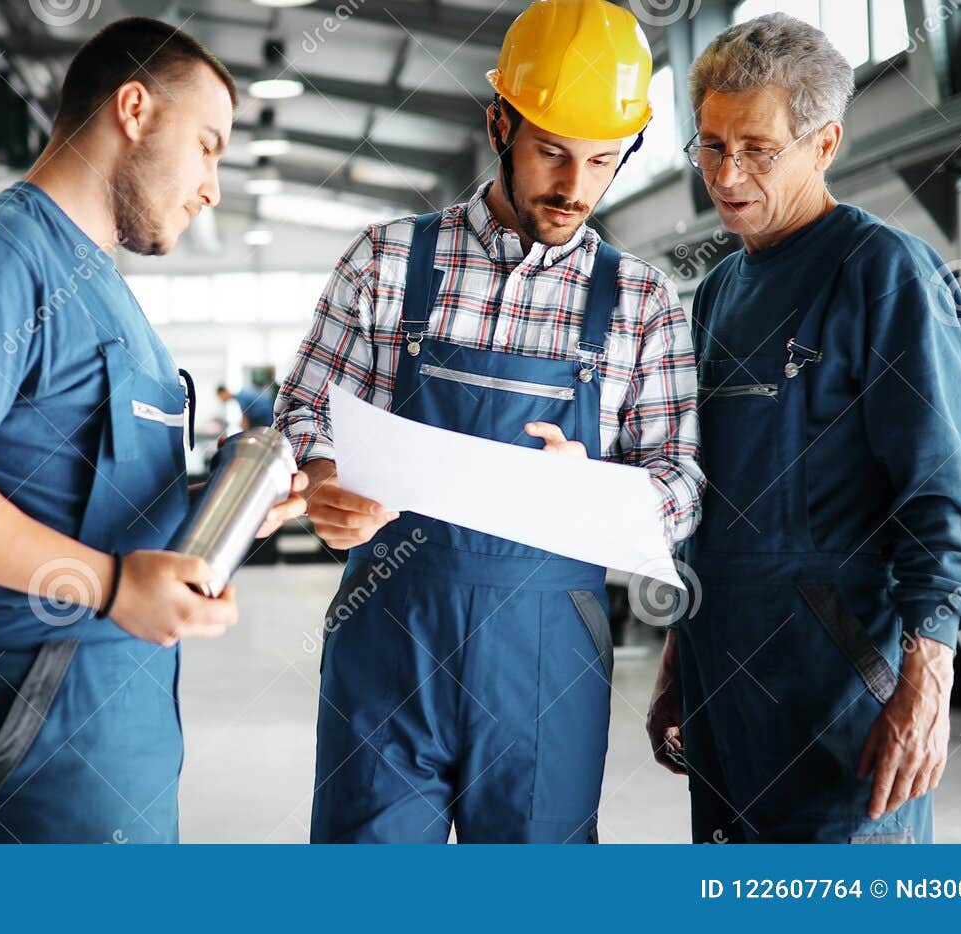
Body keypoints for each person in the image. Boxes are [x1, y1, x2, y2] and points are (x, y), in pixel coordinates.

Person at [0, 17, 305, 844]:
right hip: (17, 732)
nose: (212, 187)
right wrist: (115, 588)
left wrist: (228, 509)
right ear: (134, 108)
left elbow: (74, 494)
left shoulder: (106, 293)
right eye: (208, 145)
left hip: (112, 725)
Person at [276, 0, 703, 844]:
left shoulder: (642, 302)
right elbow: (304, 414)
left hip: (547, 658)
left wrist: (600, 493)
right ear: (499, 120)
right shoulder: (386, 258)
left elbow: (681, 484)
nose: (574, 188)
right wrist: (321, 483)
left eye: (601, 161)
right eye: (551, 152)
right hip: (389, 636)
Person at [644, 14, 961, 844]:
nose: (726, 174)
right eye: (711, 145)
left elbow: (938, 491)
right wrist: (679, 657)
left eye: (757, 148)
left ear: (824, 142)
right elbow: (708, 496)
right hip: (726, 696)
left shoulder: (883, 274)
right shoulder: (720, 291)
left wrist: (929, 674)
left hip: (840, 703)